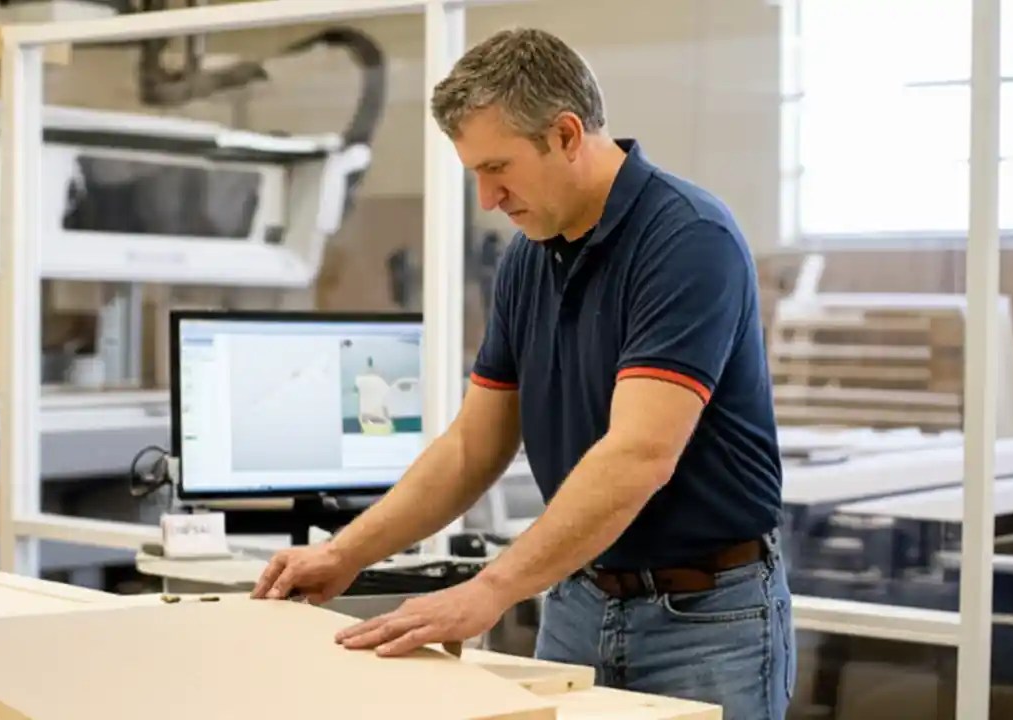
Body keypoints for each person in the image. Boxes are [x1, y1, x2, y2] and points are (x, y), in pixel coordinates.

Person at [252, 27, 794, 720]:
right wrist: (348, 553)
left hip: (705, 621)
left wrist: (490, 589)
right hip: (577, 604)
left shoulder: (688, 240)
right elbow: (472, 447)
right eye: (474, 172)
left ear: (567, 135)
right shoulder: (529, 257)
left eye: (497, 168)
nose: (486, 198)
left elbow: (639, 454)